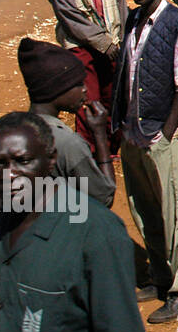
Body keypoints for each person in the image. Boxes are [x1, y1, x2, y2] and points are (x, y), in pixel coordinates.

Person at [0, 112, 149, 332]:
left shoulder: (95, 232)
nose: (9, 175)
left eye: (22, 161)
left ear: (51, 161)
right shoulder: (5, 215)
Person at [110, 0, 178, 325]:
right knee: (145, 209)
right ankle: (160, 277)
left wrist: (165, 133)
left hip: (164, 136)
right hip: (134, 133)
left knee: (177, 212)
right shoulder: (134, 20)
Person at [46, 0, 126, 150]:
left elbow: (120, 2)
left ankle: (112, 147)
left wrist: (118, 40)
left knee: (112, 95)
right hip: (80, 45)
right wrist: (103, 43)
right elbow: (68, 14)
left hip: (111, 43)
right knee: (87, 100)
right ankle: (89, 150)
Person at [18, 37, 116, 208]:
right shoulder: (67, 143)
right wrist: (100, 135)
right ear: (57, 88)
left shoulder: (14, 131)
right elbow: (105, 198)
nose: (85, 89)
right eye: (78, 83)